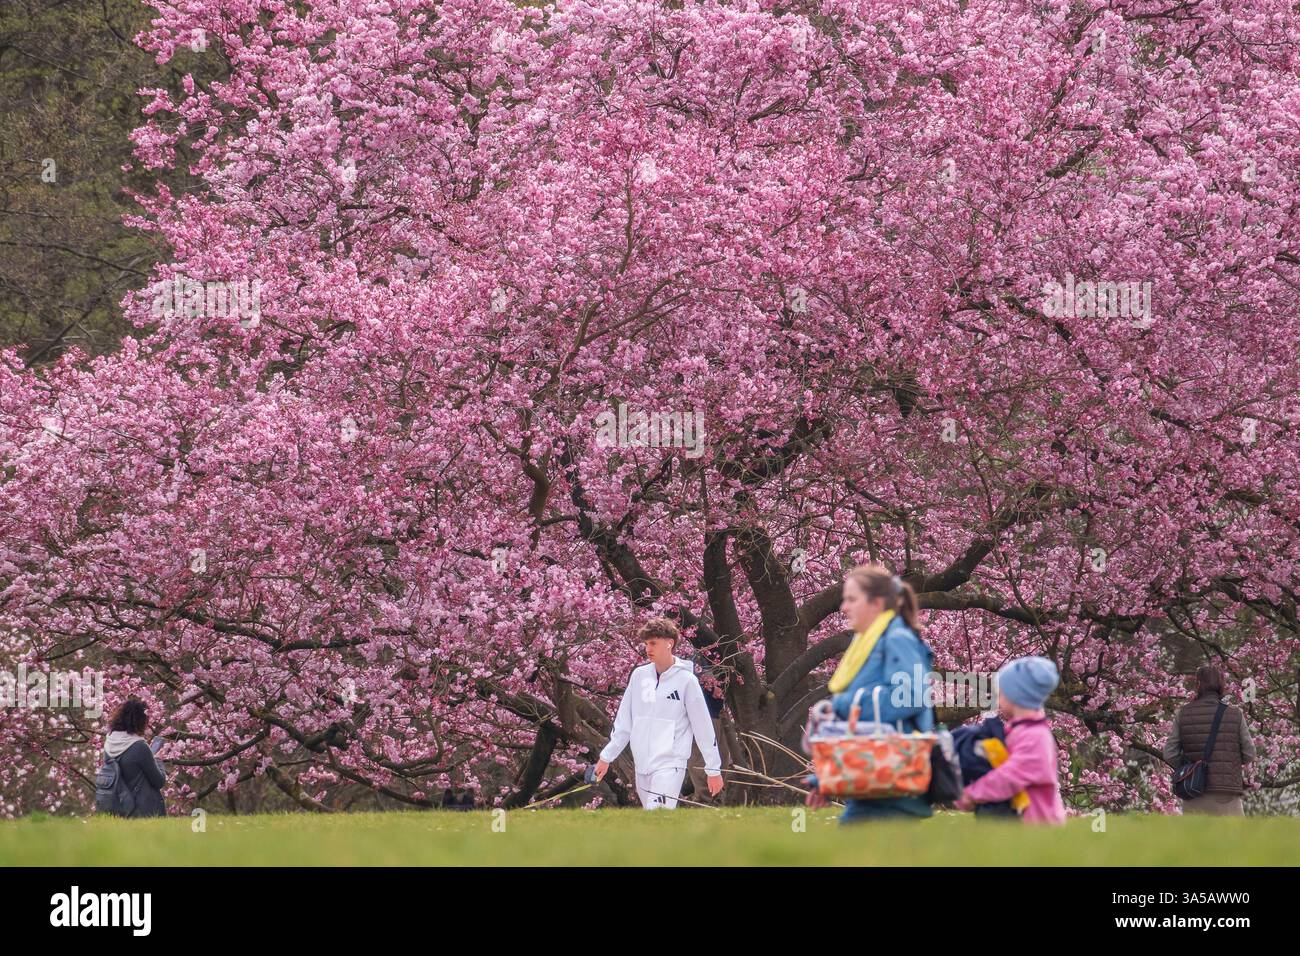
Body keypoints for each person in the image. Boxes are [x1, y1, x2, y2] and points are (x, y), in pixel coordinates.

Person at [807, 563, 936, 822]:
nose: (844, 607)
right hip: (875, 773)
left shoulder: (897, 639)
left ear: (877, 603)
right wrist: (825, 777)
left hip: (894, 774)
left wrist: (846, 704)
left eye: (852, 599)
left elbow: (911, 695)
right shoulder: (868, 642)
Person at [594, 618, 725, 809]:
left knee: (657, 815)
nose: (648, 648)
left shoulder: (687, 681)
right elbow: (624, 722)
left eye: (653, 643)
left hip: (670, 765)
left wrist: (713, 769)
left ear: (669, 643)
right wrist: (606, 758)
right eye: (646, 643)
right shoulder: (639, 676)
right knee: (655, 823)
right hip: (642, 766)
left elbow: (703, 727)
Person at [955, 656, 1066, 824]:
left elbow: (1010, 777)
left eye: (1001, 693)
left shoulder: (1036, 737)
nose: (998, 699)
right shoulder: (1018, 730)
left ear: (1016, 696)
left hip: (1037, 824)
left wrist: (972, 794)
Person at [1162, 665, 1256, 816]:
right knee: (1232, 839)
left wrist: (1190, 768)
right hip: (1226, 793)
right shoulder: (1235, 714)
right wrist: (1229, 763)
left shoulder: (1183, 713)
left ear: (1198, 685)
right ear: (1221, 685)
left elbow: (1170, 754)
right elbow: (1249, 753)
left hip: (1194, 791)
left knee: (1196, 839)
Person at [103, 699, 167, 818]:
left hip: (121, 809)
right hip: (145, 810)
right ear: (141, 721)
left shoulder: (109, 743)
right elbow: (159, 781)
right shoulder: (139, 747)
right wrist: (158, 760)